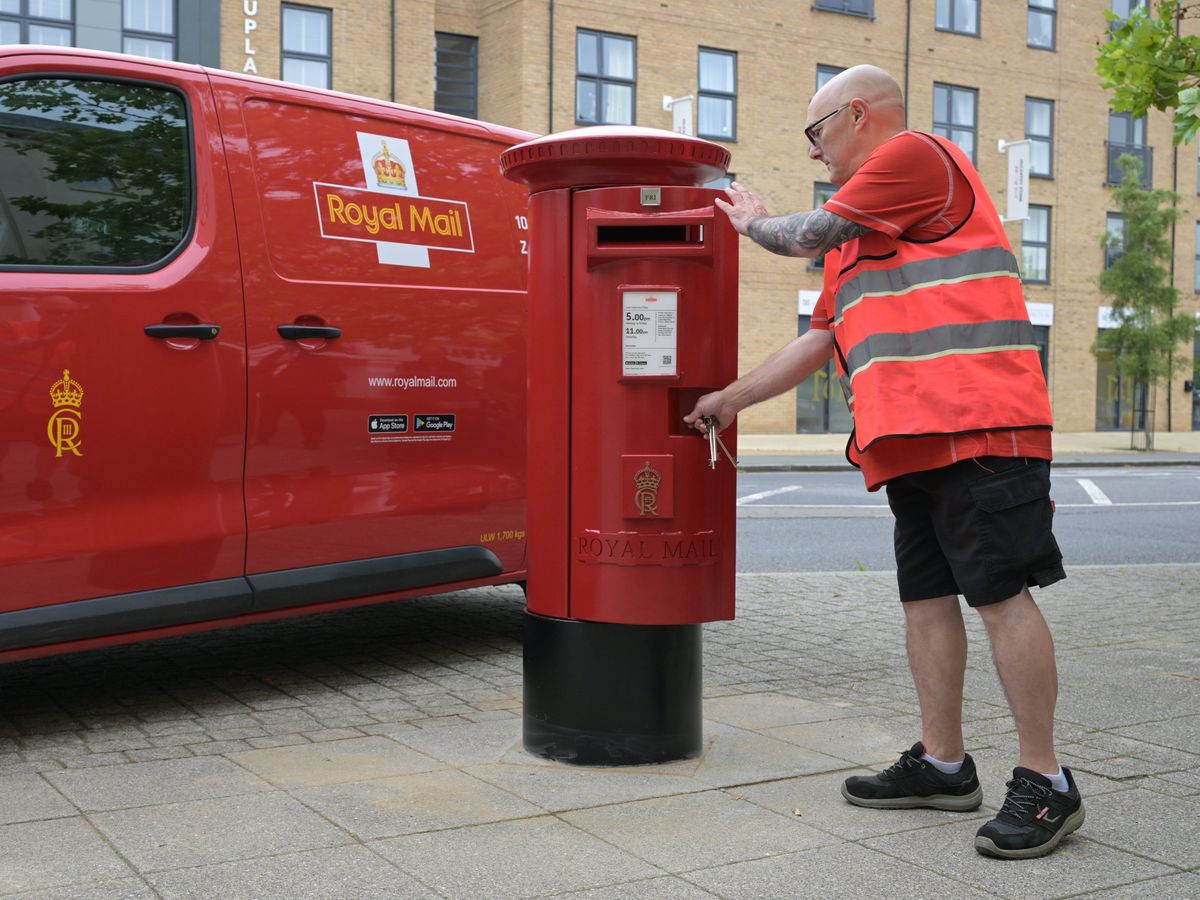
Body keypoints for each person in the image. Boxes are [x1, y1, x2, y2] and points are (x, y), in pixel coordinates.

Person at [685, 64, 1083, 860]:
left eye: (816, 133)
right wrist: (732, 398)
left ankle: (1048, 782)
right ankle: (944, 765)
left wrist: (751, 221)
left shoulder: (914, 156)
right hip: (906, 443)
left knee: (1000, 599)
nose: (814, 151)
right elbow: (820, 338)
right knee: (926, 602)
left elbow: (801, 233)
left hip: (980, 428)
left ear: (858, 114)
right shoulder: (857, 235)